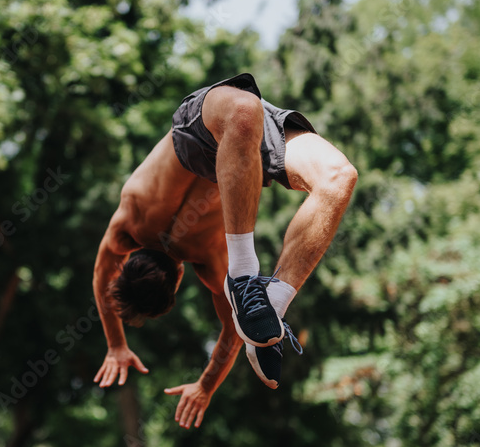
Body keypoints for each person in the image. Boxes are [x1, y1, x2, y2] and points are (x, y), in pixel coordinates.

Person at [91, 73, 357, 429]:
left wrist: (205, 385)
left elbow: (229, 333)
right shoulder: (126, 229)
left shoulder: (201, 259)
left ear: (178, 279)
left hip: (204, 132)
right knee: (338, 178)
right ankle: (273, 298)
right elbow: (101, 278)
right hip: (244, 147)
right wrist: (115, 344)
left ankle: (244, 275)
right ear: (130, 259)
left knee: (245, 111)